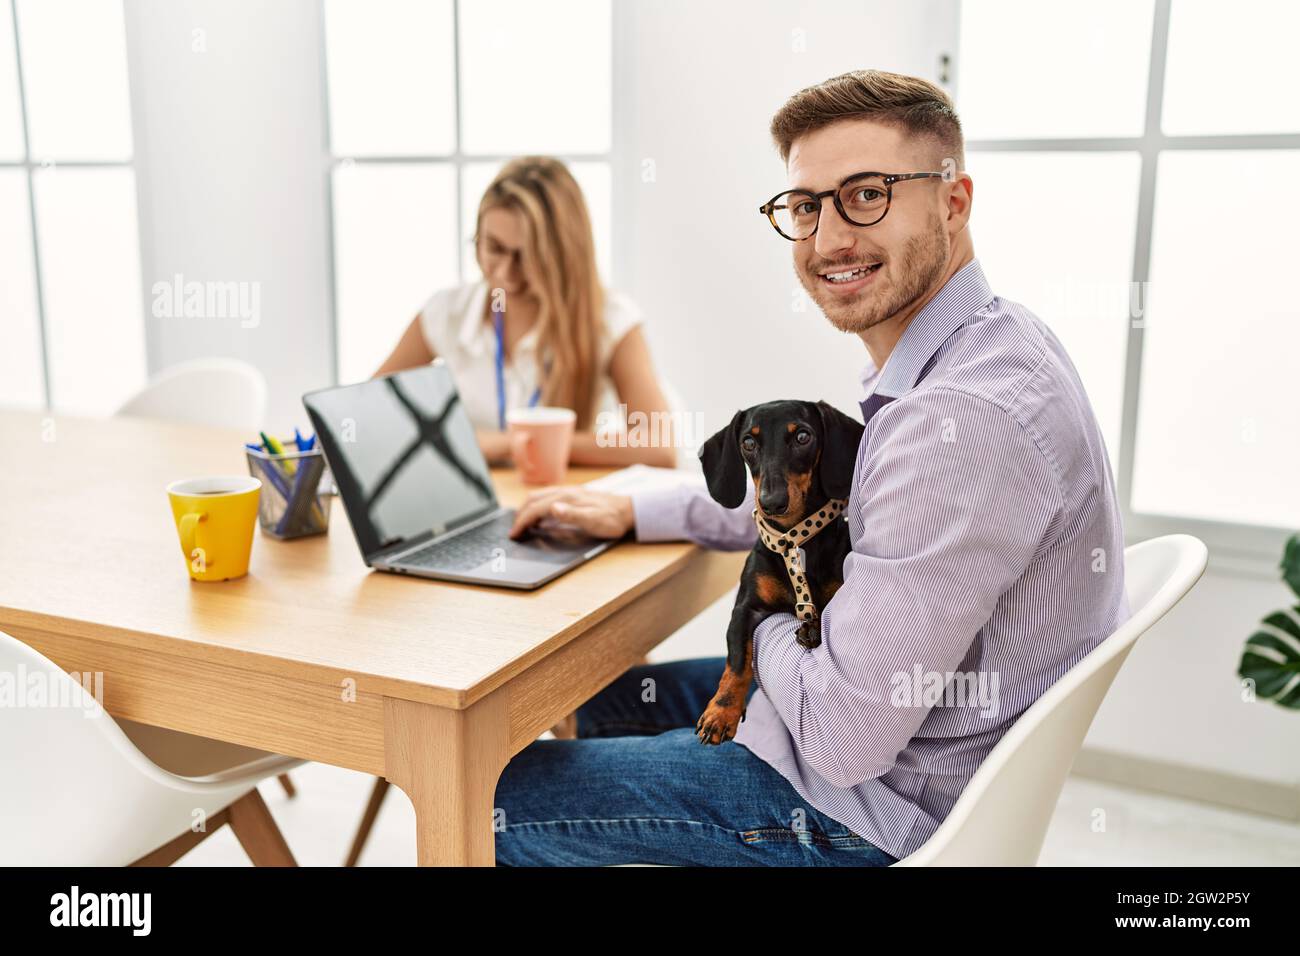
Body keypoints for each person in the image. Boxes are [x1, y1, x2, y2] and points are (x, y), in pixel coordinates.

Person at [493, 69, 1129, 866]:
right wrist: (639, 512)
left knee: (491, 799)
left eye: (867, 194)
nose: (828, 239)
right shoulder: (989, 350)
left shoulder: (958, 422)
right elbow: (832, 504)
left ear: (953, 202)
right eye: (806, 207)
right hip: (903, 746)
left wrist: (758, 620)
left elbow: (841, 737)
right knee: (591, 702)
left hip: (864, 807)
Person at [375, 156, 676, 469]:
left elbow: (659, 447)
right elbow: (363, 413)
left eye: (527, 256)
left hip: (565, 503)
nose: (506, 273)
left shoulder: (611, 318)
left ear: (565, 255)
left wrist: (514, 443)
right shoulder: (447, 312)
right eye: (494, 248)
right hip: (483, 505)